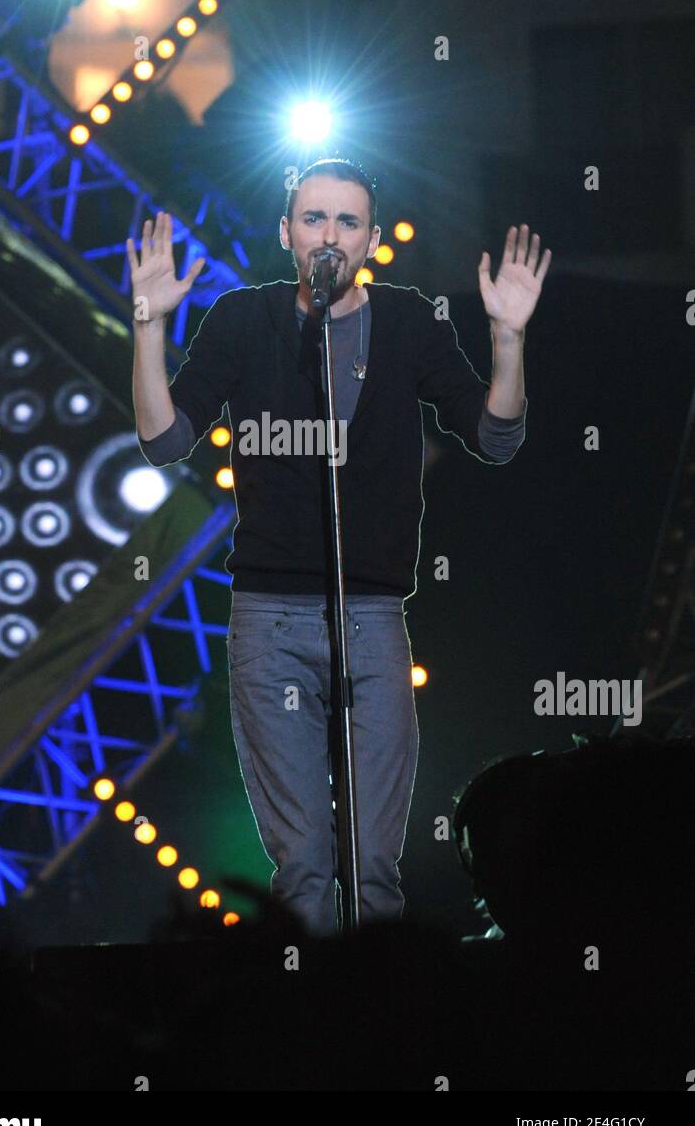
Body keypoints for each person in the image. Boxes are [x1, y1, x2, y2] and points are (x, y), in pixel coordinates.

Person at [130, 158, 551, 936]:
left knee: (372, 866)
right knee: (302, 869)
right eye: (314, 218)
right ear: (286, 232)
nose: (330, 235)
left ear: (371, 239)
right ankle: (311, 1037)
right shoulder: (242, 318)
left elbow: (493, 435)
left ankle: (383, 1035)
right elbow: (163, 438)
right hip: (268, 618)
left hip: (372, 614)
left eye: (347, 222)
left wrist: (507, 338)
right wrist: (149, 326)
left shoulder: (409, 322)